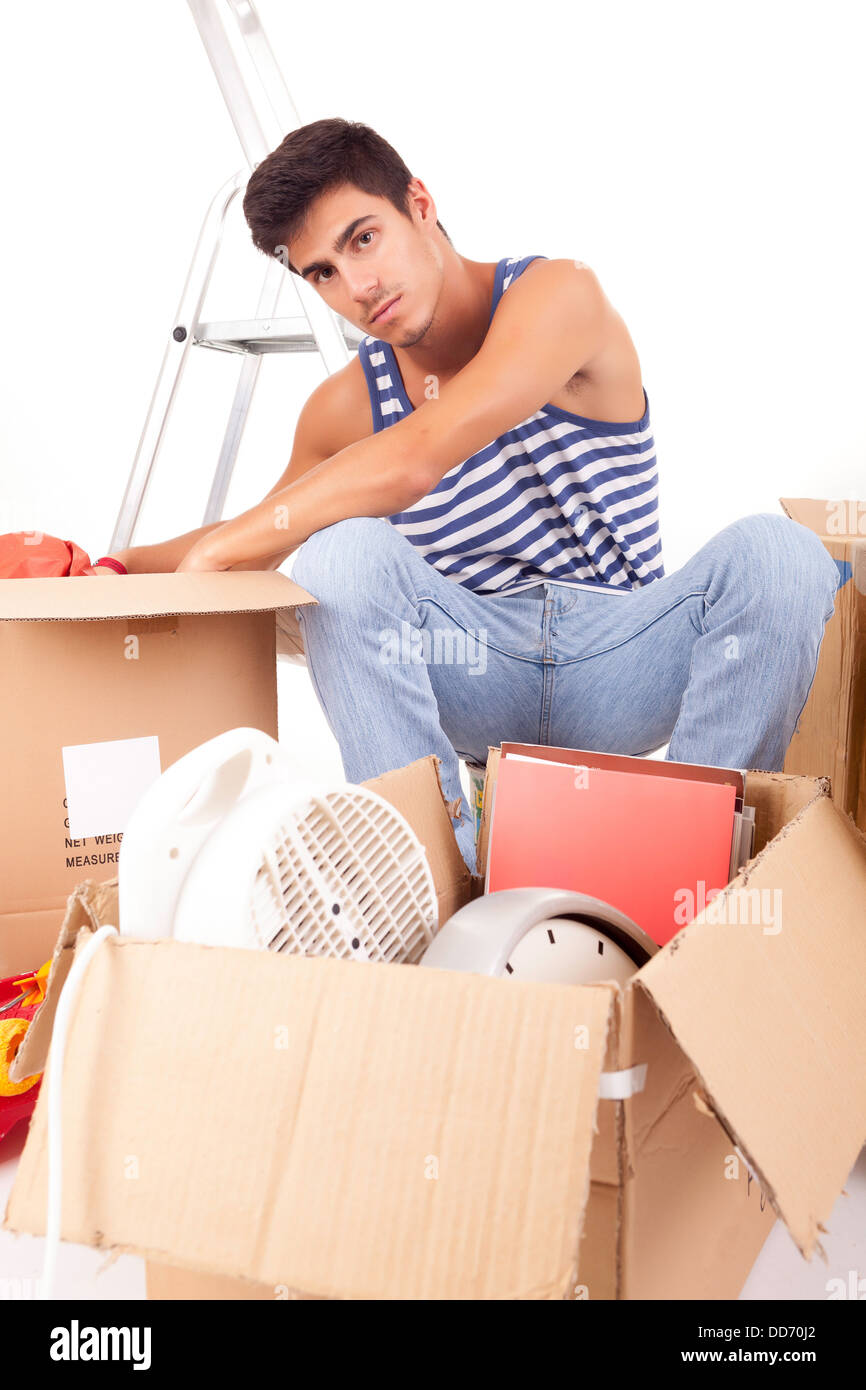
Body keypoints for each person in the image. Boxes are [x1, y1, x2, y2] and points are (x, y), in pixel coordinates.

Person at [106, 118, 840, 875]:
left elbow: (421, 455)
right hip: (473, 663)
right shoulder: (344, 408)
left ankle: (687, 879)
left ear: (420, 203)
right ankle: (426, 885)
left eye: (363, 238)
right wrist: (109, 567)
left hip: (623, 657)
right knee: (337, 556)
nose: (356, 287)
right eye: (322, 272)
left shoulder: (559, 293)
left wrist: (220, 550)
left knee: (780, 554)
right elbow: (261, 529)